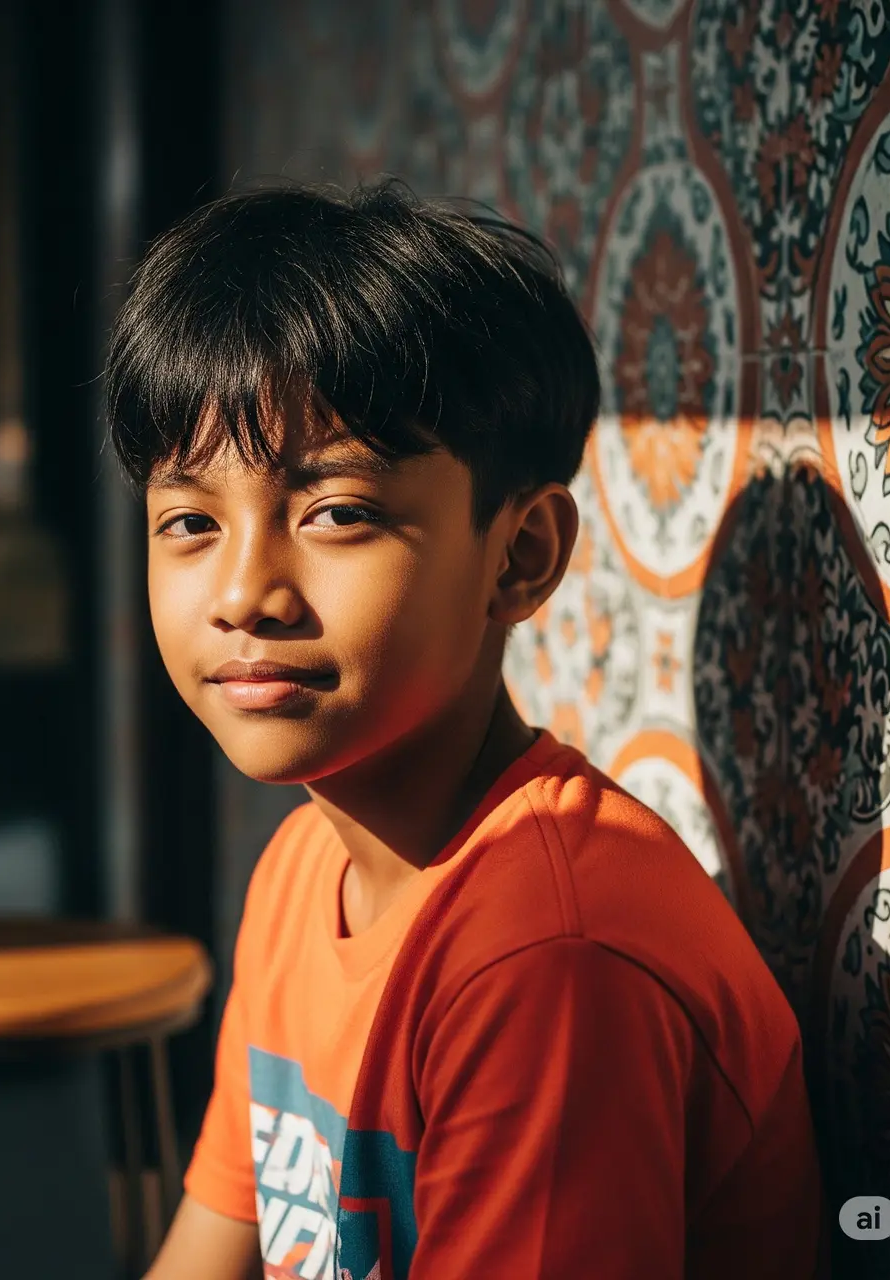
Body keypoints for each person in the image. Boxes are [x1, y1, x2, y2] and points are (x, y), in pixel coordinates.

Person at [103, 178, 829, 1280]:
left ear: (519, 555)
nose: (243, 591)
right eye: (189, 521)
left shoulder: (548, 954)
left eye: (336, 511)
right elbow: (213, 1245)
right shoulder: (304, 866)